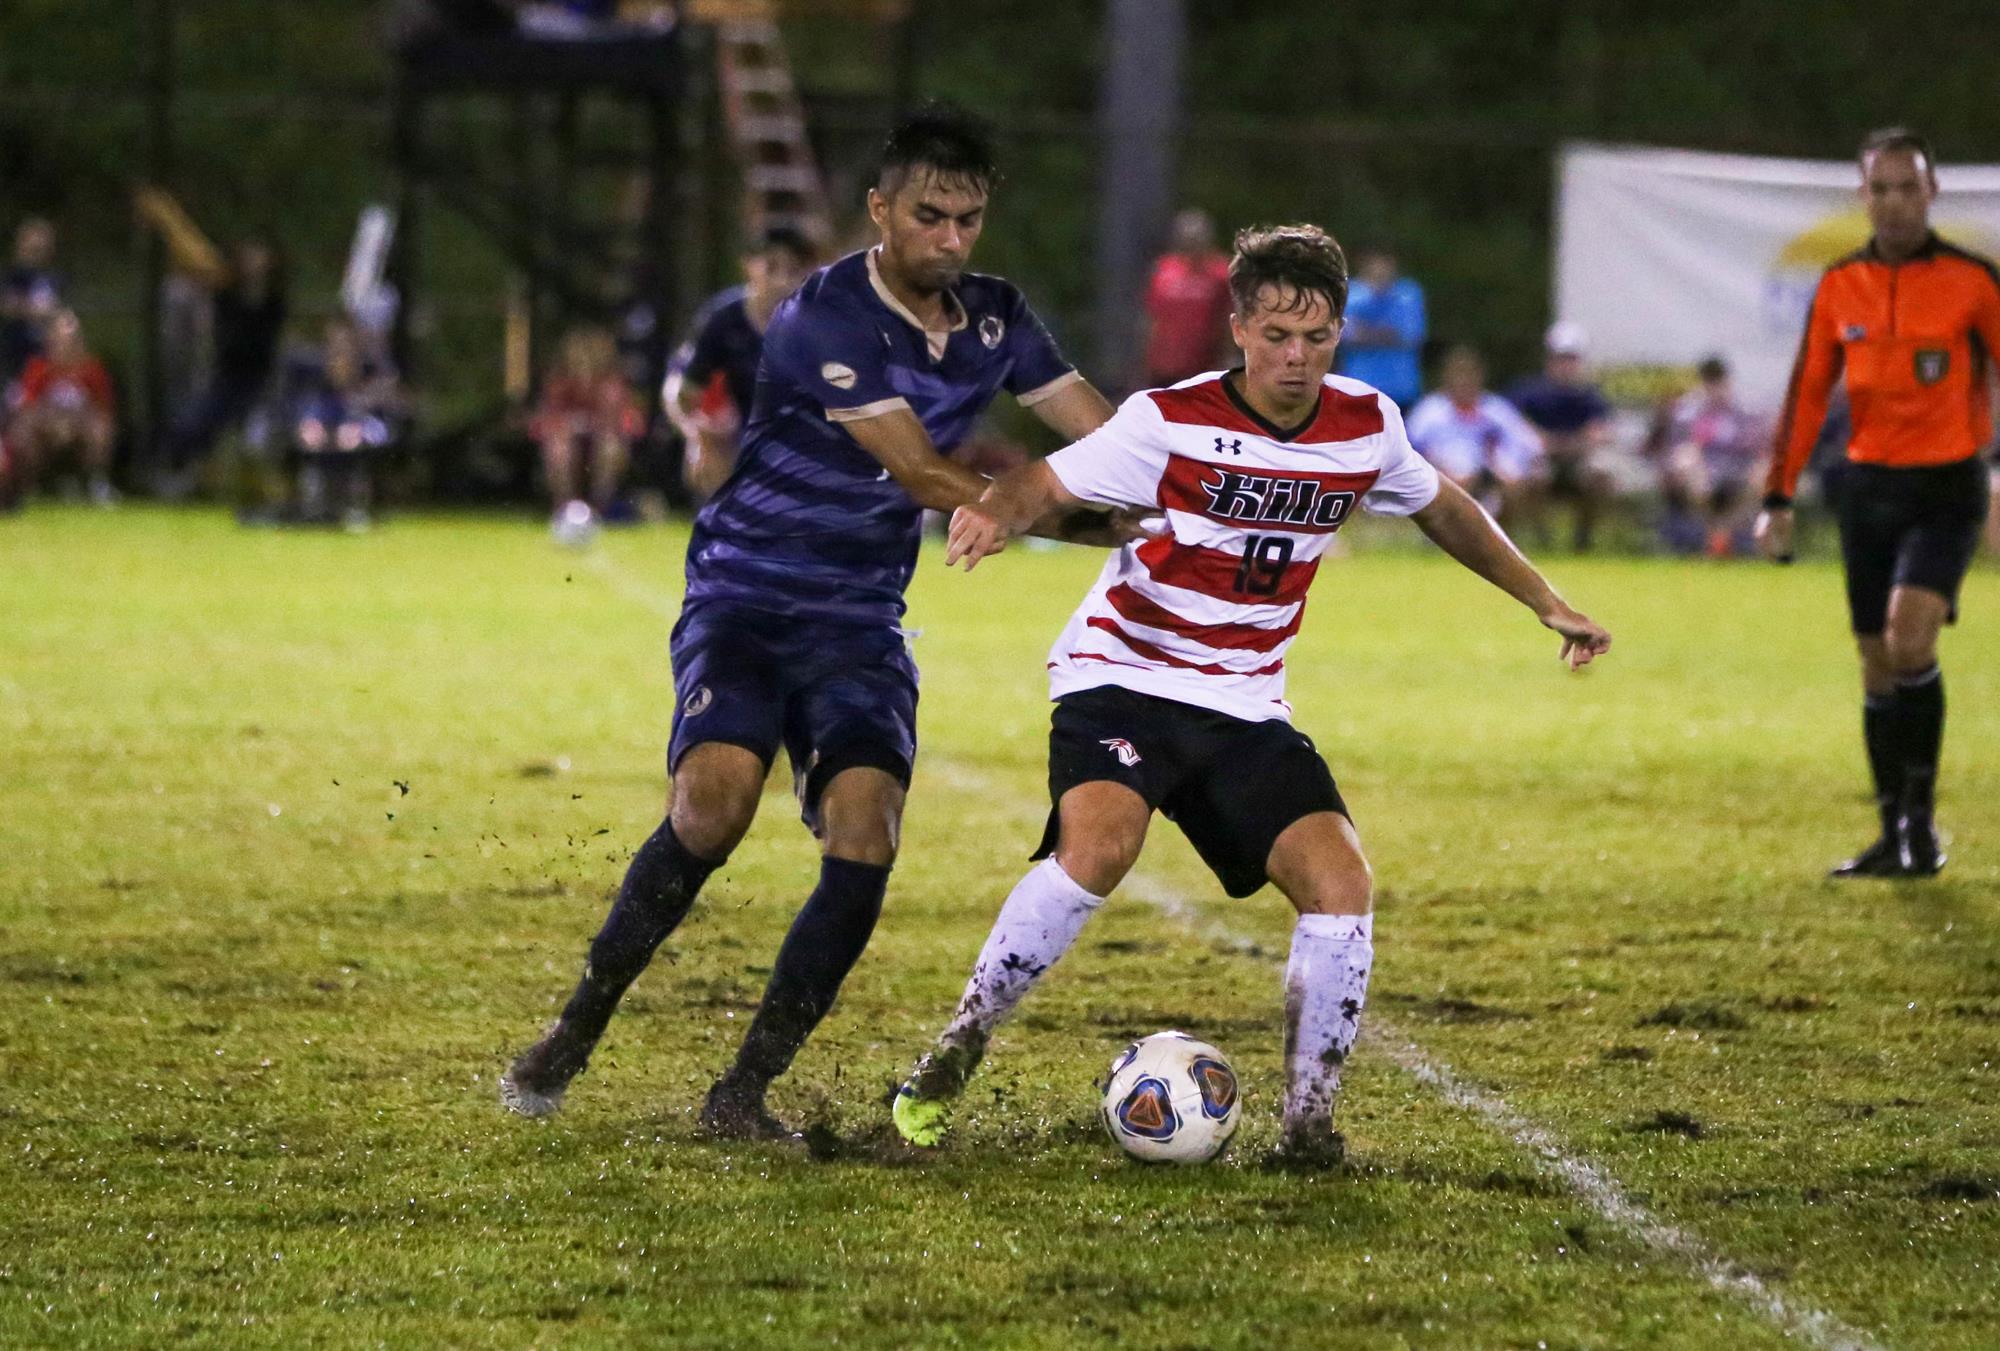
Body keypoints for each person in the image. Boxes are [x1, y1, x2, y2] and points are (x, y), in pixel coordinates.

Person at [889, 224, 1611, 1165]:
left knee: (1342, 883)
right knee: (1102, 844)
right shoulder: (1167, 420)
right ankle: (956, 1050)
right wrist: (992, 510)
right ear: (1238, 327)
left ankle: (1309, 1127)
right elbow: (1044, 480)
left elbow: (1445, 507)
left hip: (1245, 703)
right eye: (1276, 335)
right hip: (1126, 675)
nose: (1295, 357)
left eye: (1315, 338)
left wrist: (1545, 599)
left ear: (1341, 334)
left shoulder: (1366, 426)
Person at [501, 102, 1141, 1137]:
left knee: (865, 829)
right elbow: (926, 473)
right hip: (746, 595)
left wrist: (1171, 503)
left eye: (968, 219)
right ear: (880, 210)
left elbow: (1105, 438)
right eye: (930, 215)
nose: (950, 238)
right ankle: (576, 1028)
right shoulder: (823, 316)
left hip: (856, 617)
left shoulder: (997, 317)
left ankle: (739, 1093)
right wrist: (1074, 521)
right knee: (713, 805)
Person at [1756, 128, 2000, 878]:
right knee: (1875, 665)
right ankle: (1894, 831)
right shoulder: (1839, 285)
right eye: (1880, 189)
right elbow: (1807, 391)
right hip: (1868, 487)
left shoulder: (1974, 281)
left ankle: (1921, 829)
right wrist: (1777, 492)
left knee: (1908, 640)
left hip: (1947, 485)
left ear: (1931, 193)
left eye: (1908, 187)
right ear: (1864, 196)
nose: (1894, 202)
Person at [137, 190, 288, 495]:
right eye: (248, 254)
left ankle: (263, 491)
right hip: (226, 380)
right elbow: (198, 261)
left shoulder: (274, 299)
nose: (253, 261)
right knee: (191, 427)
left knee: (256, 442)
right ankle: (180, 480)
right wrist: (169, 219)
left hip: (261, 383)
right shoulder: (226, 290)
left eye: (259, 255)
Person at [662, 225, 817, 504]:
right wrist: (696, 435)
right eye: (771, 267)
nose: (782, 280)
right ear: (749, 267)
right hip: (742, 438)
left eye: (792, 270)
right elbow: (683, 393)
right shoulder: (723, 320)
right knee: (714, 449)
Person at [1404, 344, 1542, 523]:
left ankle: (1504, 535)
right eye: (1459, 374)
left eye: (1469, 374)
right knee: (1455, 484)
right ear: (1447, 377)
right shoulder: (1430, 411)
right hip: (1444, 475)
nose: (1464, 381)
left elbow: (1528, 443)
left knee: (1528, 478)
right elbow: (1409, 448)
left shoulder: (1496, 409)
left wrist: (1511, 471)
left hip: (1494, 473)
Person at [1508, 321, 1614, 551]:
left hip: (1577, 461)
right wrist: (1542, 440)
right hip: (1542, 460)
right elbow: (1512, 424)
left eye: (1571, 359)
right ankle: (1542, 540)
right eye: (1561, 358)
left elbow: (1600, 432)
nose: (1566, 365)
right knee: (1533, 477)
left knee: (1599, 475)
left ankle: (1582, 540)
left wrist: (1564, 443)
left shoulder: (1591, 396)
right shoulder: (1530, 392)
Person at [533, 325, 643, 545]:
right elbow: (547, 419)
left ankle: (600, 507)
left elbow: (626, 421)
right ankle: (563, 506)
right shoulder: (560, 381)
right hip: (569, 441)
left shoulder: (613, 383)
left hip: (603, 442)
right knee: (560, 448)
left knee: (610, 447)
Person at [6, 309, 116, 506]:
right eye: (62, 339)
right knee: (23, 430)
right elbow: (25, 408)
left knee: (101, 428)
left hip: (80, 429)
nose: (67, 344)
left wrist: (74, 423)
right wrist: (53, 423)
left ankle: (96, 482)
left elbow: (104, 409)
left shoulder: (92, 370)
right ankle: (26, 485)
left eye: (72, 339)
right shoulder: (38, 368)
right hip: (47, 431)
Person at [1657, 355, 1764, 557]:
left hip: (1737, 468)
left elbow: (1757, 447)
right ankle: (1714, 537)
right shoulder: (1688, 411)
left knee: (1763, 474)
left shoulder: (1743, 411)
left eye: (1719, 380)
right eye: (1710, 380)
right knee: (1689, 464)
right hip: (1702, 470)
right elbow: (1679, 449)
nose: (1715, 386)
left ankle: (1722, 536)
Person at [1141, 208, 1234, 388]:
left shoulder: (1220, 272)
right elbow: (1152, 318)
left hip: (1205, 365)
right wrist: (1144, 360)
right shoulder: (1164, 270)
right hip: (1165, 365)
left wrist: (1228, 358)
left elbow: (1228, 318)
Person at [1336, 248, 1425, 410]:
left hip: (1401, 389)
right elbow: (1343, 334)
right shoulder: (1349, 292)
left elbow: (1411, 335)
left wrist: (1366, 332)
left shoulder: (1408, 293)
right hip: (1359, 387)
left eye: (1385, 263)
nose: (1380, 269)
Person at [1, 218, 63, 392]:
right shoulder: (11, 276)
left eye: (43, 243)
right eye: (33, 244)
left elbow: (63, 312)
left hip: (50, 358)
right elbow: (7, 304)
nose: (38, 249)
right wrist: (34, 310)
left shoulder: (56, 277)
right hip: (17, 356)